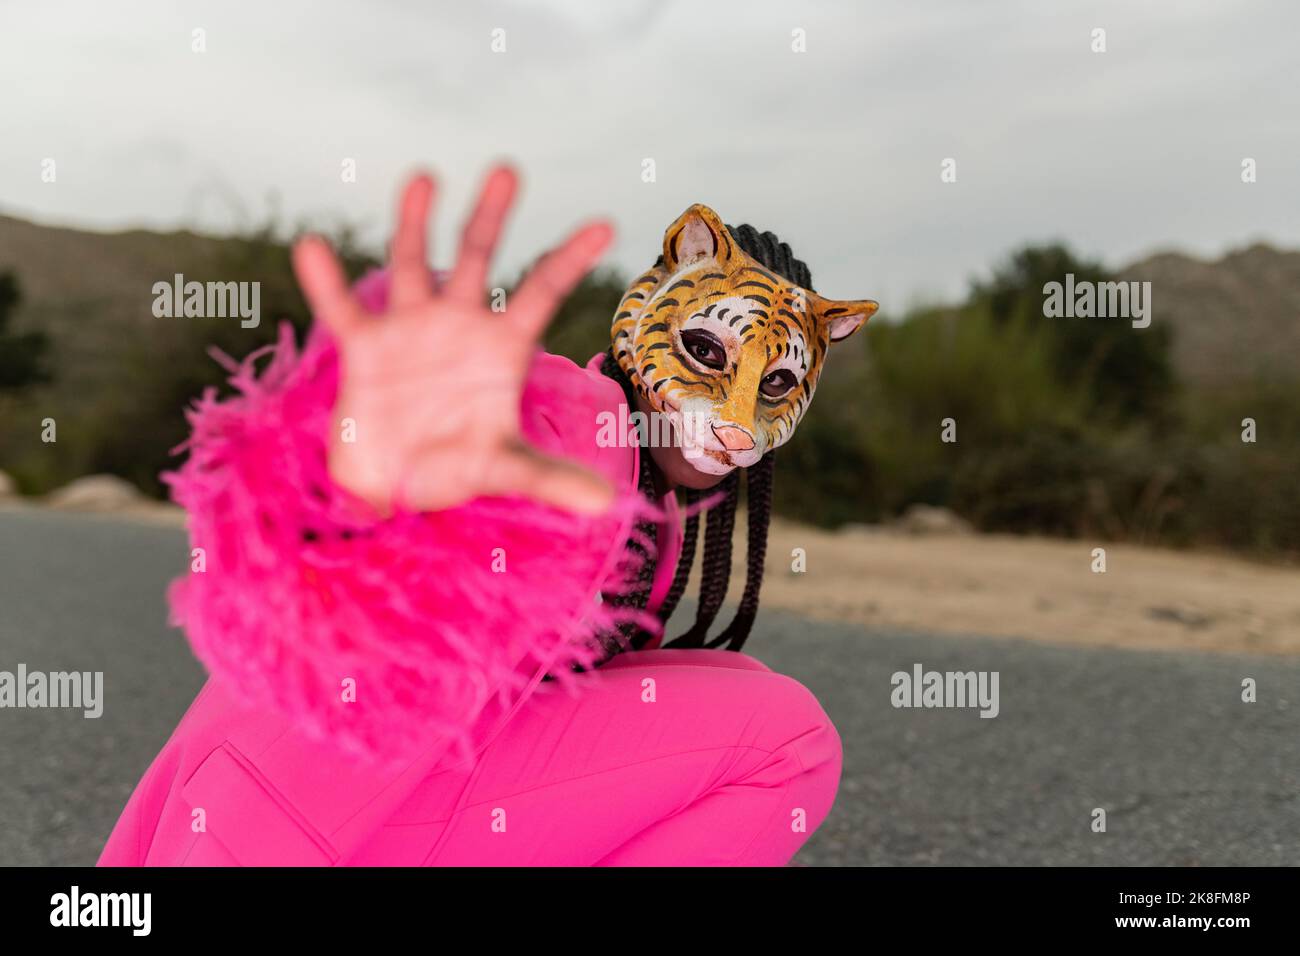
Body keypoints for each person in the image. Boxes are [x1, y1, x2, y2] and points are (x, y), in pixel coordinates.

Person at [98, 165, 877, 866]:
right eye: (708, 353)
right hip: (312, 818)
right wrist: (350, 455)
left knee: (730, 679)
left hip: (322, 802)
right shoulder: (567, 416)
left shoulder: (651, 504)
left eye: (774, 387)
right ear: (648, 313)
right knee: (790, 740)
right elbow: (356, 501)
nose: (737, 419)